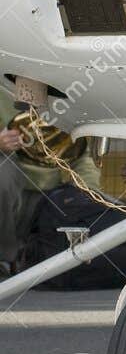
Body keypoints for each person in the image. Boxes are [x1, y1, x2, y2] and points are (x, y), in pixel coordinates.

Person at [0, 85, 103, 278]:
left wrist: (90, 194)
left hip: (51, 195)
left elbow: (82, 156)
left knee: (87, 198)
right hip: (12, 191)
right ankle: (5, 258)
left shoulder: (65, 89)